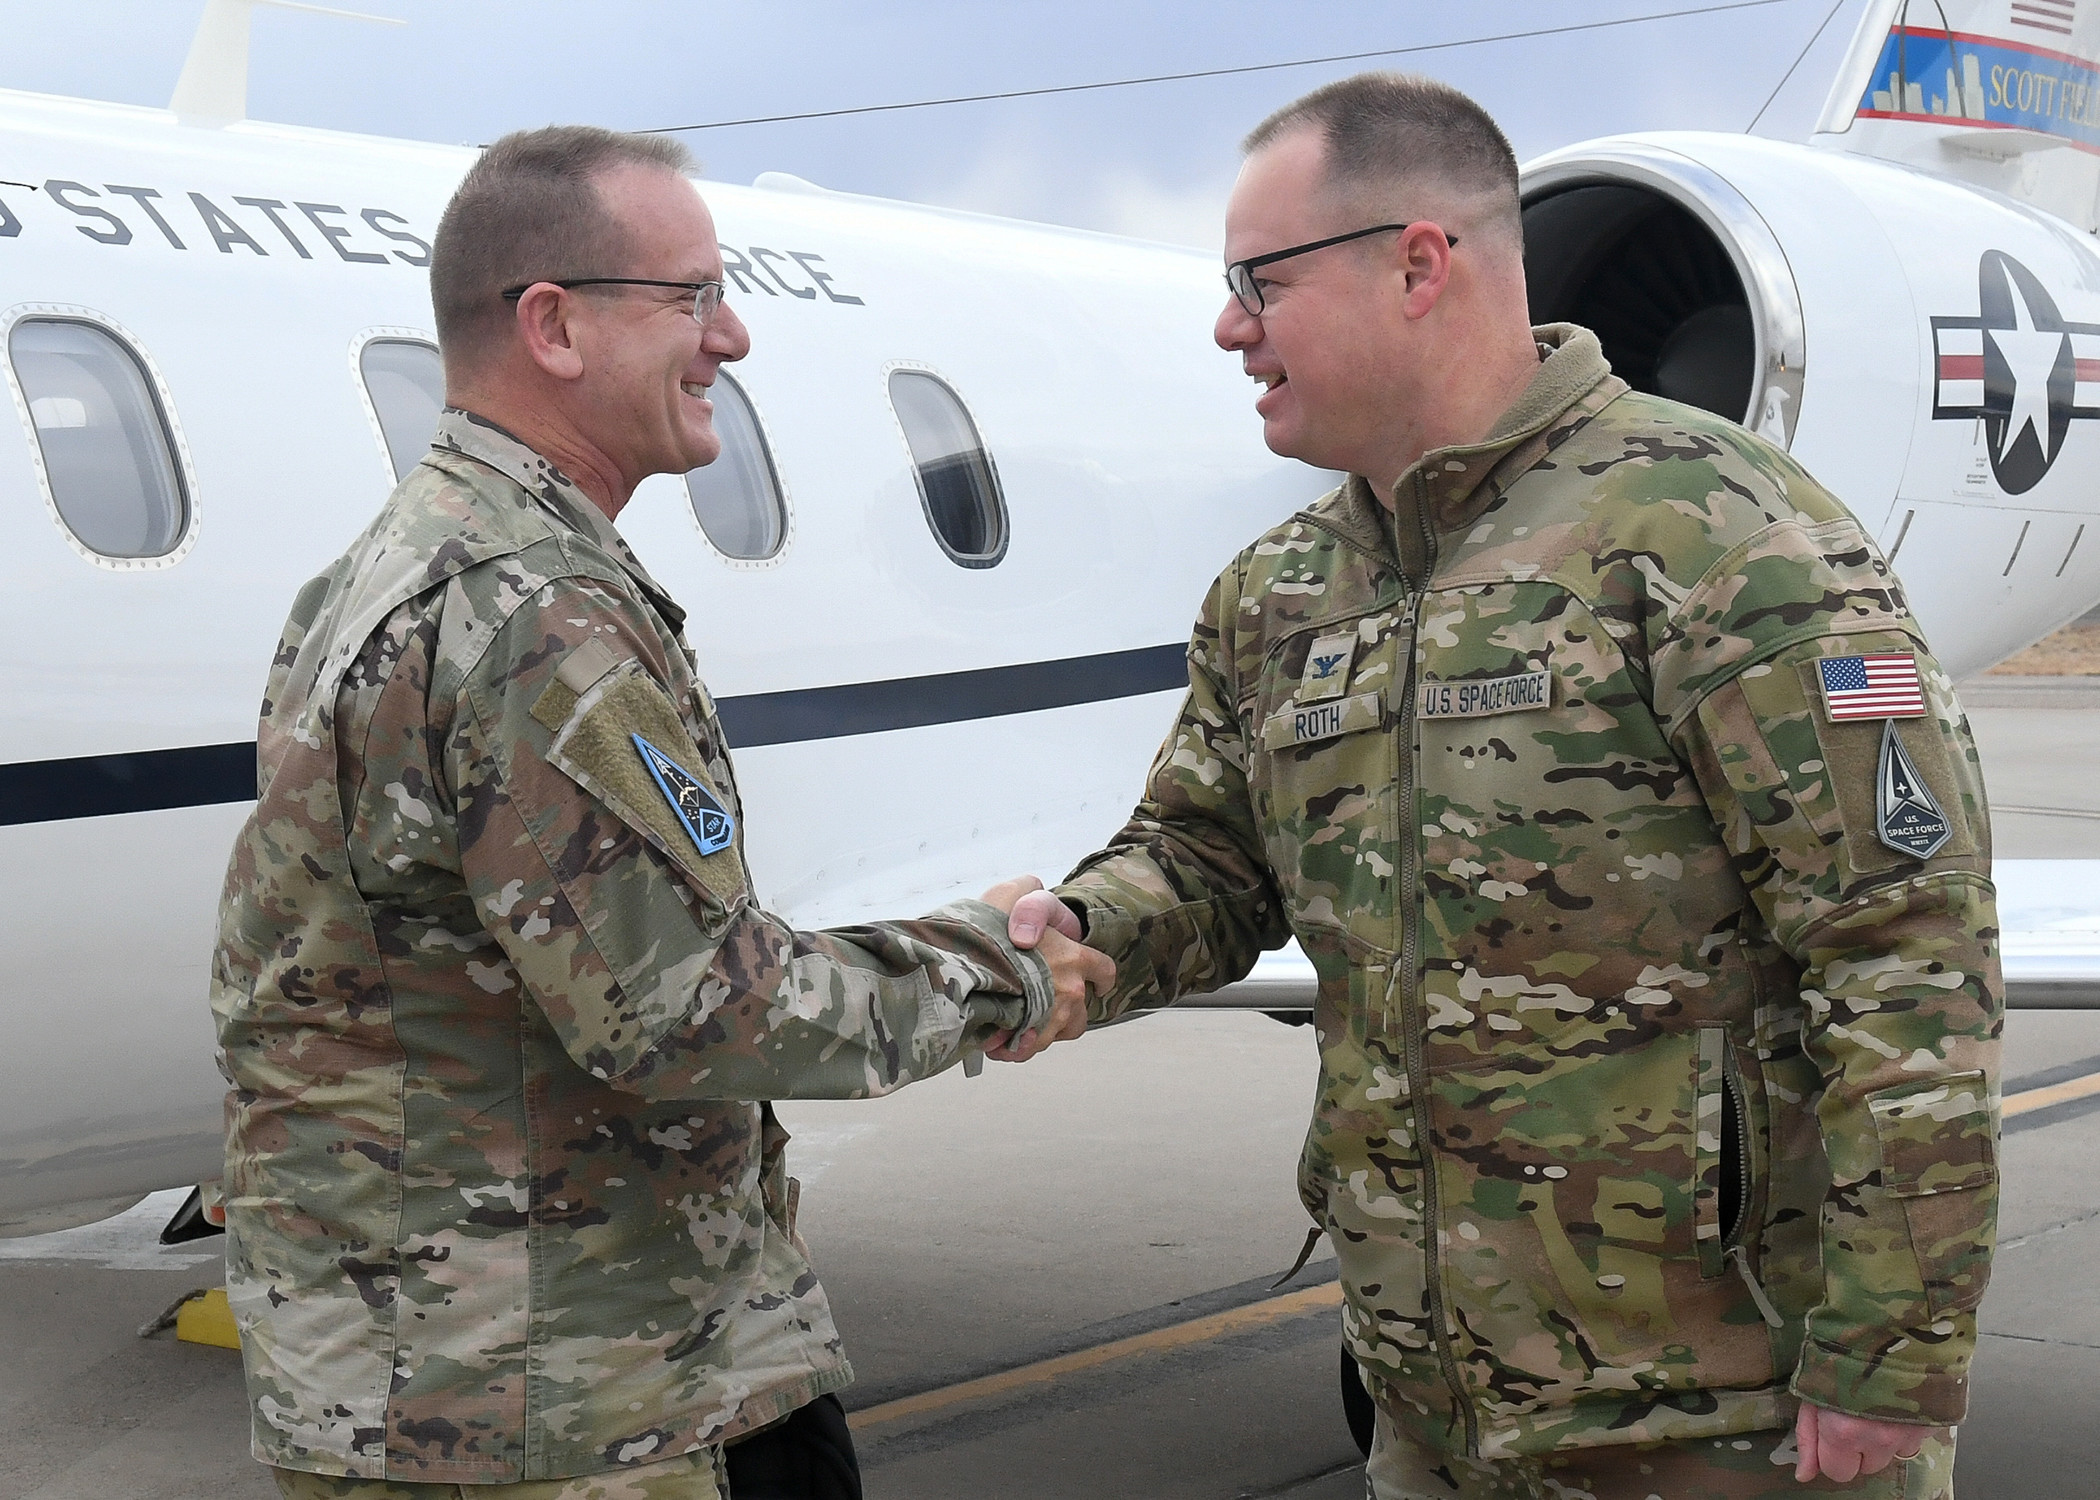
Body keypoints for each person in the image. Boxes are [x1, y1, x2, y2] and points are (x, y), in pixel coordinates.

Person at [1001, 74, 2000, 1499]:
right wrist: (1076, 933)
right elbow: (1207, 860)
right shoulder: (1282, 591)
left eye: (1260, 283)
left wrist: (1890, 1354)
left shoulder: (1718, 534)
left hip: (1720, 1417)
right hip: (1431, 1414)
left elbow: (1904, 953)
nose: (1231, 327)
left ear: (1419, 264)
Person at [209, 125, 1110, 1500]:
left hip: (467, 1376)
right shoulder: (530, 612)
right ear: (554, 326)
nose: (730, 338)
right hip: (558, 1409)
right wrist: (998, 967)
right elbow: (698, 1011)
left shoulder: (396, 568)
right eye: (692, 298)